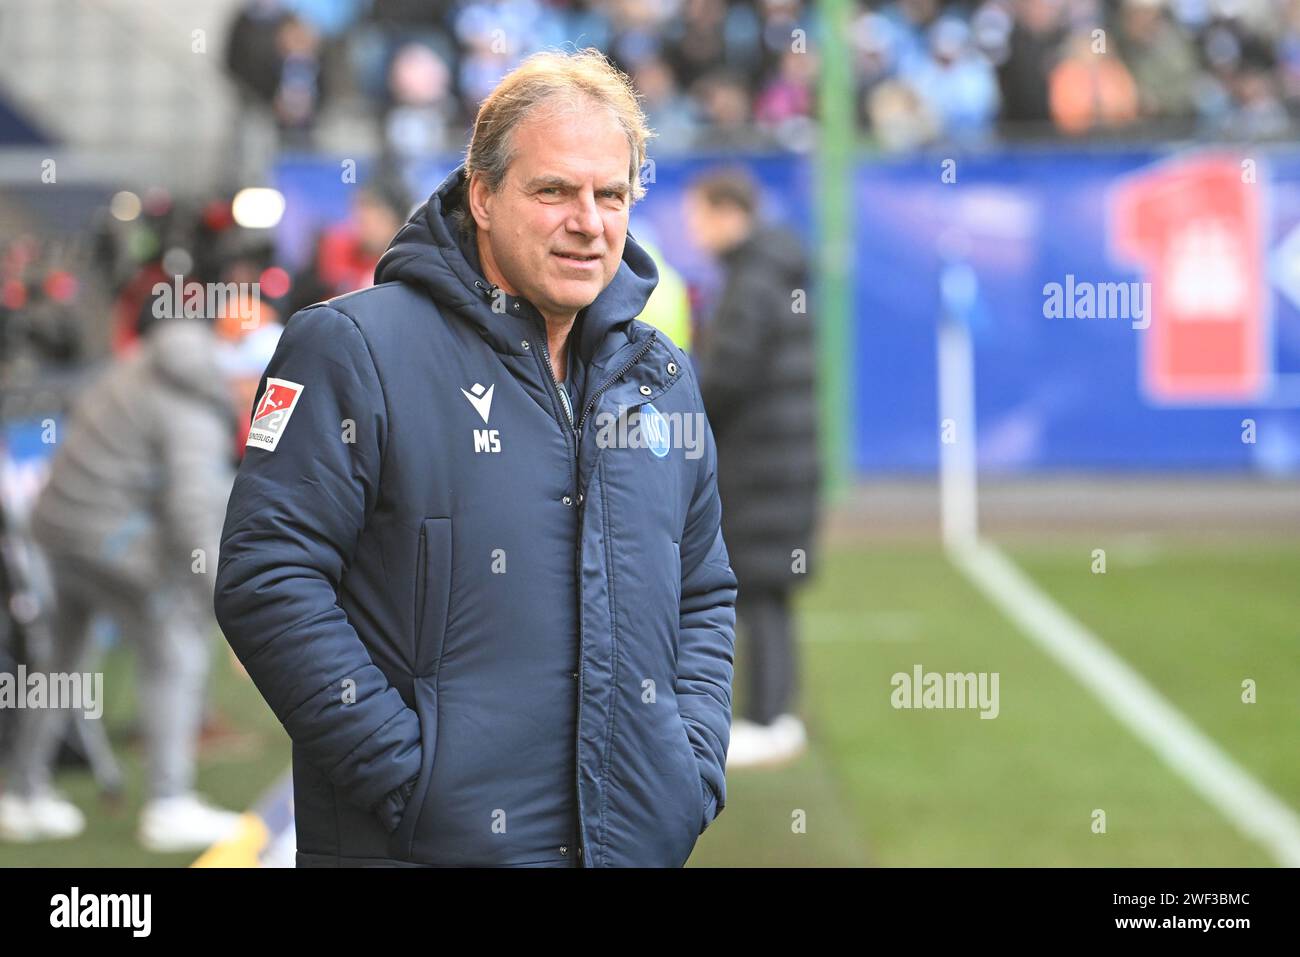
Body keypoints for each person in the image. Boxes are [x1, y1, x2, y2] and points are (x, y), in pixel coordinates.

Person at [213, 48, 738, 868]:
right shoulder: (353, 347)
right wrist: (408, 780)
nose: (588, 220)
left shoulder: (661, 380)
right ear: (484, 196)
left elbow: (703, 589)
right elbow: (267, 579)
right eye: (554, 190)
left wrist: (690, 766)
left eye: (611, 194)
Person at [0, 315, 272, 850]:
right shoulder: (194, 411)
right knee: (175, 645)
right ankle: (169, 806)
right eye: (260, 380)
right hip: (104, 535)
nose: (261, 394)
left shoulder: (156, 359)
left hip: (56, 523)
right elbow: (193, 517)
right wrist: (235, 618)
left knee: (61, 661)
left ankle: (21, 795)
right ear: (242, 373)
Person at [684, 167, 819, 769]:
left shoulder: (755, 278)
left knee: (759, 588)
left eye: (701, 215)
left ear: (726, 212)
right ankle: (773, 712)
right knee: (768, 591)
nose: (696, 230)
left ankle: (768, 717)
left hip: (763, 461)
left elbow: (729, 373)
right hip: (776, 458)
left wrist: (679, 397)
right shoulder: (769, 270)